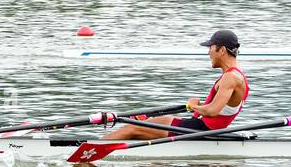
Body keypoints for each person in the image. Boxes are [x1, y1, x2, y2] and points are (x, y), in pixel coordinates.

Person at [106, 30, 248, 139]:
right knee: (147, 122)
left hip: (201, 130)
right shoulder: (237, 75)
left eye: (210, 47)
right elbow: (221, 110)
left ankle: (90, 153)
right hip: (199, 126)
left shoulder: (231, 77)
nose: (208, 53)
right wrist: (201, 106)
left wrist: (195, 106)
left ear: (222, 50)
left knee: (132, 128)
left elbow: (212, 112)